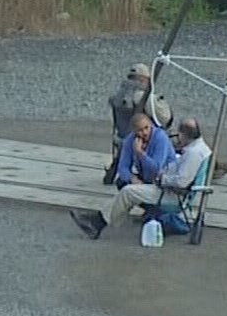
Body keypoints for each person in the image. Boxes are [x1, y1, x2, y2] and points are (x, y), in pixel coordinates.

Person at [71, 111, 175, 240]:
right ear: (134, 131)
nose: (144, 133)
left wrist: (140, 153)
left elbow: (155, 168)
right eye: (140, 130)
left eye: (146, 128)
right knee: (123, 182)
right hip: (147, 180)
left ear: (150, 125)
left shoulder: (160, 138)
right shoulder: (130, 140)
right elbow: (123, 167)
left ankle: (98, 221)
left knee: (127, 192)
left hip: (163, 183)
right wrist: (131, 178)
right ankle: (104, 220)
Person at [104, 63, 171, 185]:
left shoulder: (117, 97)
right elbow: (166, 118)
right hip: (145, 139)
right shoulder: (142, 97)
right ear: (143, 79)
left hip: (121, 137)